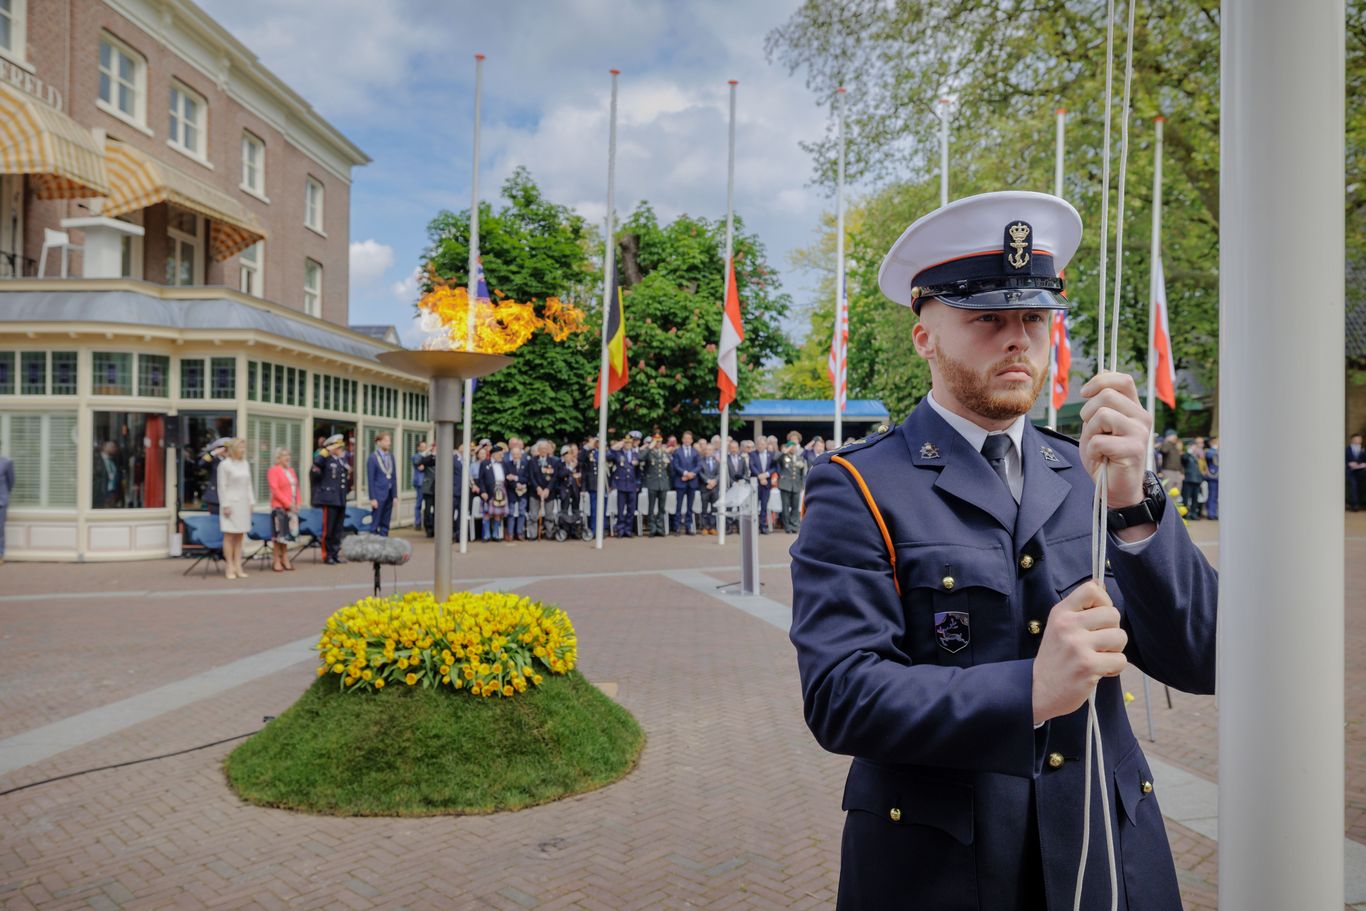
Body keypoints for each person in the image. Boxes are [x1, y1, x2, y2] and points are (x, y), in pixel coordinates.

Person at [790, 190, 1218, 909]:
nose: (1017, 338)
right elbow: (842, 694)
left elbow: (1202, 658)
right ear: (924, 334)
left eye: (1032, 316)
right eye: (986, 317)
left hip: (1106, 856)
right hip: (945, 870)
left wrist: (1134, 503)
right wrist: (1028, 689)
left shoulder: (1084, 468)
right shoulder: (861, 484)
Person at [217, 438, 255, 580]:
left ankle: (239, 565)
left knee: (240, 536)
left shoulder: (245, 464)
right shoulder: (224, 465)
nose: (243, 450)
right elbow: (222, 486)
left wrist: (251, 502)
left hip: (243, 504)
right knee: (229, 535)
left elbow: (249, 484)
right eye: (241, 447)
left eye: (244, 448)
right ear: (234, 449)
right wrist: (225, 505)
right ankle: (229, 566)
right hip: (231, 504)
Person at [311, 434, 351, 564]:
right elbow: (316, 463)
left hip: (340, 499)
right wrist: (325, 450)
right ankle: (326, 555)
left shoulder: (341, 461)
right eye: (337, 446)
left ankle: (334, 554)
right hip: (329, 499)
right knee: (328, 530)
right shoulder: (325, 459)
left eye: (340, 446)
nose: (340, 449)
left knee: (338, 530)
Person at [267, 447, 300, 572]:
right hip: (279, 507)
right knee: (278, 535)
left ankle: (285, 558)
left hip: (291, 508)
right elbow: (275, 490)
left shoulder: (291, 470)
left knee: (286, 535)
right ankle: (276, 559)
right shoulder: (273, 471)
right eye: (285, 455)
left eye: (288, 455)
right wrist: (287, 503)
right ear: (278, 458)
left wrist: (298, 503)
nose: (288, 458)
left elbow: (296, 488)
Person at [608, 432, 642, 537]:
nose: (628, 445)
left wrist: (637, 484)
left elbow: (638, 472)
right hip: (621, 484)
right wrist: (618, 444)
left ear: (632, 444)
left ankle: (628, 530)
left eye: (629, 443)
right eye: (626, 443)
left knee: (631, 509)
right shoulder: (618, 454)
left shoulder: (636, 454)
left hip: (632, 485)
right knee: (620, 509)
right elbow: (608, 454)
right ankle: (620, 530)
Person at [366, 431, 397, 536]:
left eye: (389, 440)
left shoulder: (391, 457)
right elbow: (370, 479)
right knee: (376, 522)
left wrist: (395, 496)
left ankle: (384, 543)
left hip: (389, 493)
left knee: (386, 522)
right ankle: (373, 545)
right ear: (379, 442)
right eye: (386, 441)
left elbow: (393, 477)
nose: (389, 443)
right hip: (378, 495)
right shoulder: (373, 458)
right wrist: (372, 498)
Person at [527, 439, 560, 540]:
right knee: (533, 515)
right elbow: (531, 476)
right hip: (535, 491)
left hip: (548, 493)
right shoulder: (532, 461)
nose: (544, 450)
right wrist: (537, 488)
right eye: (542, 449)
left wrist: (547, 489)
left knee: (549, 515)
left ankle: (549, 534)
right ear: (538, 449)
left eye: (545, 448)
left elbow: (555, 477)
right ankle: (533, 535)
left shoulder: (553, 461)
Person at [641, 433, 672, 536]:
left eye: (659, 442)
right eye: (656, 441)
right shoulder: (649, 452)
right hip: (652, 483)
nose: (658, 443)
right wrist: (649, 448)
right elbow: (640, 457)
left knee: (662, 508)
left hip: (663, 483)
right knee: (651, 507)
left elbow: (670, 468)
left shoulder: (665, 453)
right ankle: (652, 528)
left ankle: (659, 527)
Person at [478, 443, 510, 541]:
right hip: (489, 490)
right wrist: (483, 491)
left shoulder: (504, 464)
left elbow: (507, 476)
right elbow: (481, 479)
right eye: (500, 454)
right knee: (487, 513)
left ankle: (495, 534)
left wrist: (509, 478)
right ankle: (487, 534)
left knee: (498, 514)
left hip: (501, 489)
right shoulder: (485, 463)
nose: (502, 456)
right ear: (494, 454)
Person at [672, 431, 700, 535]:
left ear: (692, 440)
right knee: (678, 506)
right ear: (682, 439)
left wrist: (692, 473)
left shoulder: (695, 452)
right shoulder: (677, 451)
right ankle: (677, 527)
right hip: (681, 481)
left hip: (692, 481)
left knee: (690, 507)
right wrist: (684, 473)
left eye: (689, 438)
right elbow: (675, 465)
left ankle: (688, 527)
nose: (687, 440)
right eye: (685, 438)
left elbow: (699, 464)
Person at [777, 439, 807, 533]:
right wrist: (784, 451)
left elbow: (802, 473)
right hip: (785, 485)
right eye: (791, 447)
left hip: (796, 485)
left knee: (795, 507)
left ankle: (794, 525)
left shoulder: (799, 458)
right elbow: (775, 460)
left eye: (795, 447)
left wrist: (802, 484)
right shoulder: (783, 457)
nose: (793, 448)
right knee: (785, 507)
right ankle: (787, 526)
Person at [506, 437, 531, 541]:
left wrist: (516, 479)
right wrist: (516, 485)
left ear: (521, 455)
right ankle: (510, 533)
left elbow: (527, 478)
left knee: (521, 512)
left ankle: (519, 533)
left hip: (523, 492)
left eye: (517, 454)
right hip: (512, 491)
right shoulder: (508, 464)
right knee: (511, 513)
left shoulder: (526, 465)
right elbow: (507, 478)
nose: (516, 456)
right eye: (514, 455)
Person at [749, 436, 775, 533]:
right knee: (754, 506)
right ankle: (754, 526)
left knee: (764, 505)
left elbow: (775, 467)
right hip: (756, 483)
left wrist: (766, 475)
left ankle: (763, 526)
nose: (761, 446)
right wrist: (760, 476)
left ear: (766, 445)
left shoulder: (771, 454)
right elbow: (751, 466)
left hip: (766, 483)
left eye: (763, 444)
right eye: (759, 444)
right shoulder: (752, 454)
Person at [199, 438, 228, 514]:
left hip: (229, 495)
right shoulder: (213, 460)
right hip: (215, 496)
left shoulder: (230, 461)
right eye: (223, 448)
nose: (225, 450)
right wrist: (213, 453)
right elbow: (201, 464)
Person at [698, 441, 720, 534]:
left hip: (714, 488)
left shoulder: (717, 462)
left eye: (710, 449)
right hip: (704, 487)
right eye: (706, 449)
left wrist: (714, 481)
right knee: (704, 508)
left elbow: (719, 473)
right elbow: (700, 473)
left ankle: (712, 527)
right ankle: (704, 527)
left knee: (714, 508)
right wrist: (708, 481)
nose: (708, 451)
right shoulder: (700, 461)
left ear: (713, 451)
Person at [93, 440, 123, 508]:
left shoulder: (113, 460)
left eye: (115, 447)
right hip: (103, 493)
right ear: (104, 447)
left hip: (112, 493)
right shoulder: (97, 460)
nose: (114, 448)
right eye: (112, 446)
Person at [1181, 441, 1204, 520]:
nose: (1195, 448)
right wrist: (1188, 452)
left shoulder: (1196, 456)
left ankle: (1194, 514)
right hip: (1188, 479)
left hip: (1197, 480)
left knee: (1195, 499)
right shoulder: (1186, 455)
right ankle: (1185, 514)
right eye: (1193, 447)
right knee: (1186, 498)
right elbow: (1184, 460)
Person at [411, 440, 428, 530]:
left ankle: (425, 522)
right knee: (419, 503)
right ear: (418, 448)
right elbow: (419, 465)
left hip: (427, 483)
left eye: (425, 447)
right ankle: (417, 523)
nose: (424, 448)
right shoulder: (416, 456)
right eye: (422, 447)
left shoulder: (426, 456)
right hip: (419, 483)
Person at [0, 451, 12, 565]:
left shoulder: (6, 462)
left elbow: (11, 481)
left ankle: (0, 554)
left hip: (1, 502)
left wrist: (4, 495)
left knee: (0, 530)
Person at [1349, 433, 1365, 512]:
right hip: (1351, 471)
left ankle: (1360, 503)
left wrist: (1363, 464)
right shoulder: (1347, 449)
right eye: (1356, 439)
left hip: (1361, 471)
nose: (1358, 441)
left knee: (1359, 488)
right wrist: (1349, 463)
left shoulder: (1363, 449)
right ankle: (1355, 505)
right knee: (1353, 486)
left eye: (1359, 439)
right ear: (1352, 440)